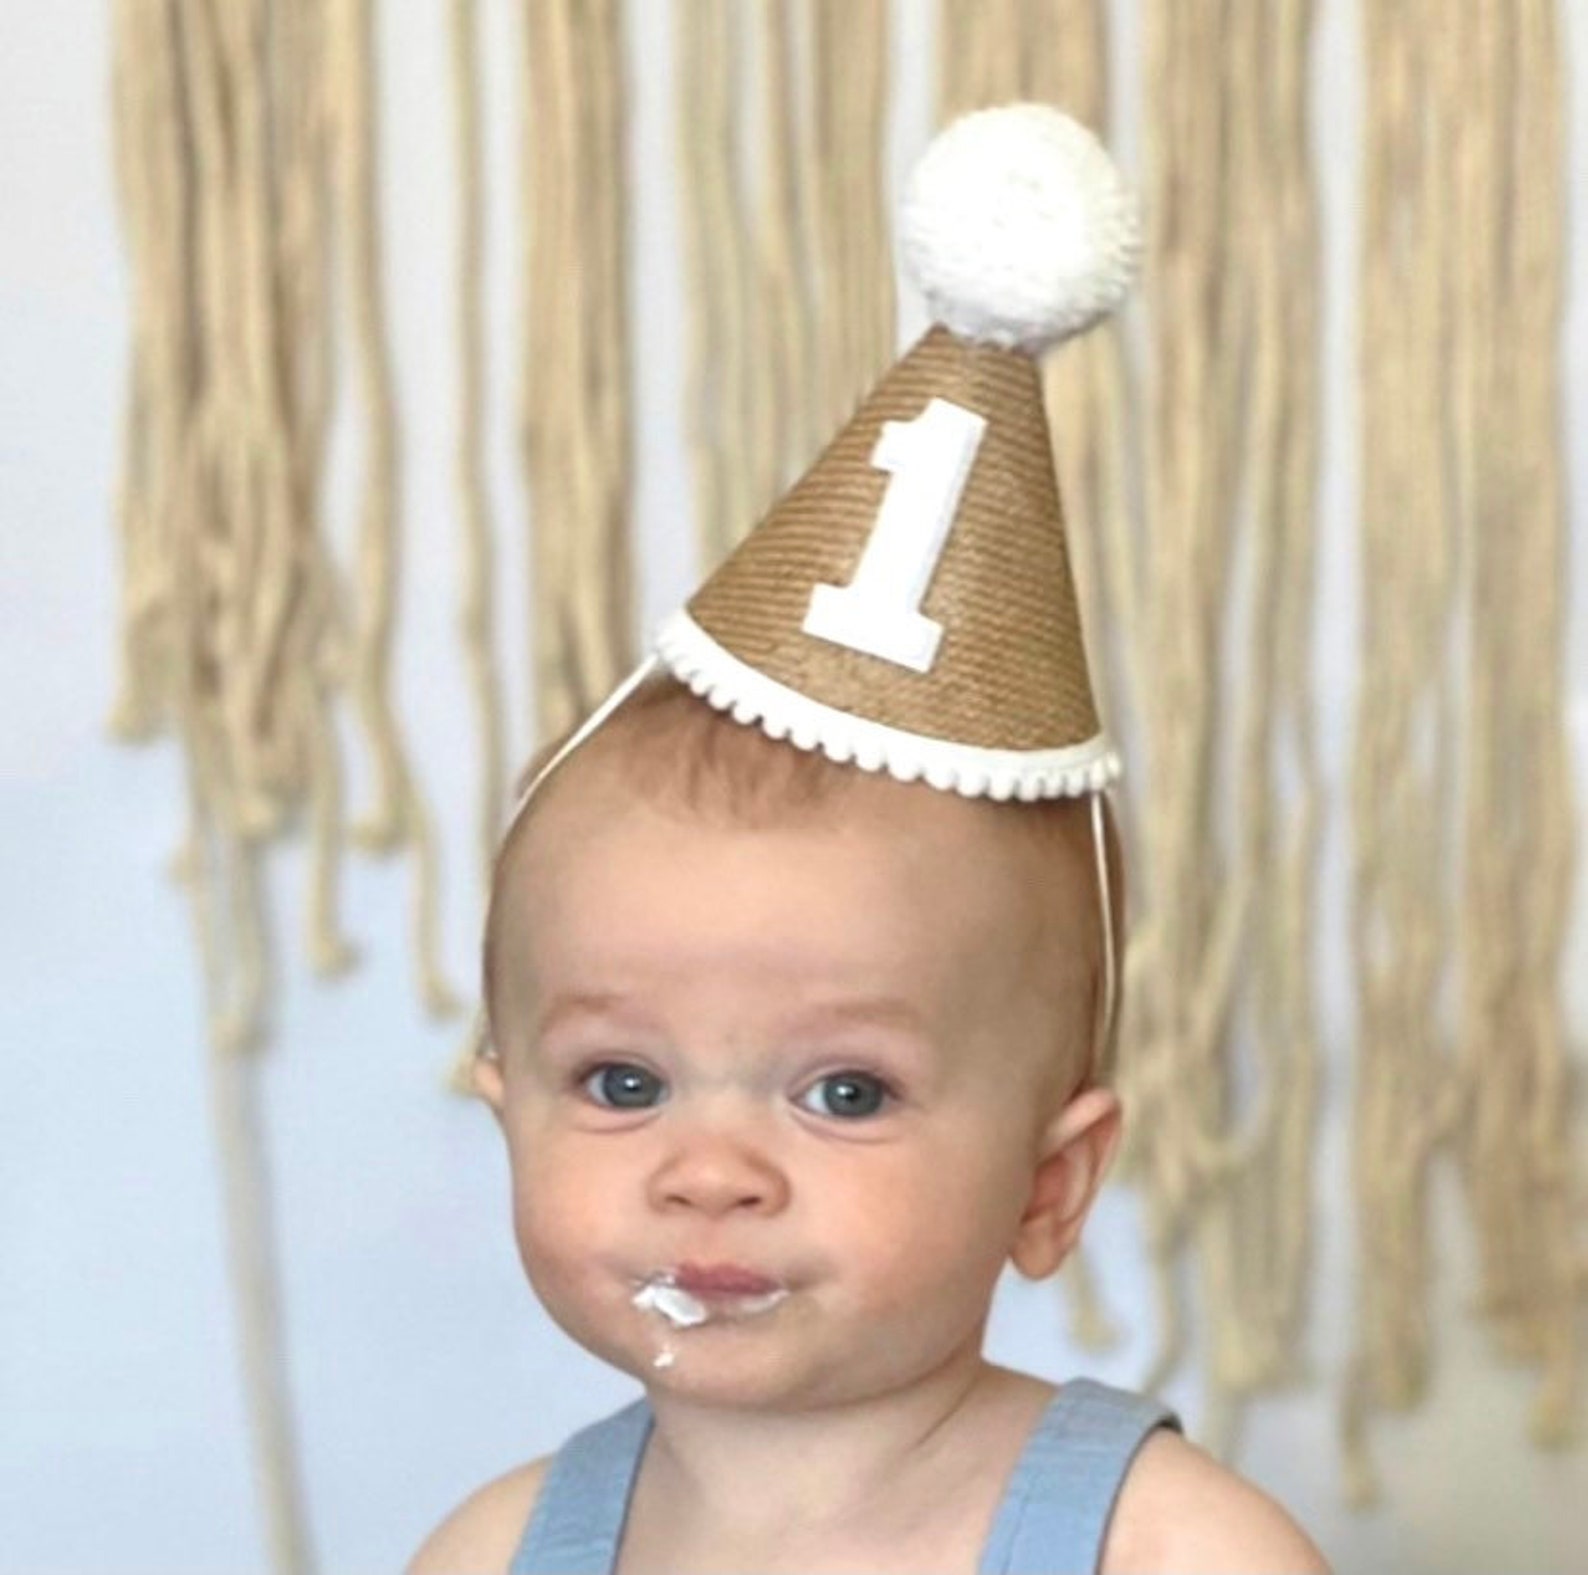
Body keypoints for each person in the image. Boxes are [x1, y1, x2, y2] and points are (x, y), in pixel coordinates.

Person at [409, 104, 1331, 1575]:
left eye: (845, 1091)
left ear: (1048, 1187)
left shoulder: (1170, 1555)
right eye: (622, 1079)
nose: (711, 1171)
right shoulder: (493, 1553)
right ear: (507, 1107)